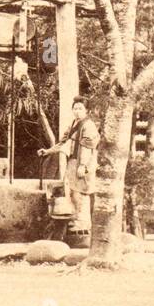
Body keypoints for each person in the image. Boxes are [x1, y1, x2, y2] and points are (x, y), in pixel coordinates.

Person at [38, 96, 99, 233]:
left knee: (80, 193)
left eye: (80, 108)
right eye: (75, 108)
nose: (77, 111)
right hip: (73, 162)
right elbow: (63, 143)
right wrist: (47, 151)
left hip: (84, 163)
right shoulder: (74, 124)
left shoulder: (88, 126)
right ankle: (73, 222)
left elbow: (87, 148)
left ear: (87, 110)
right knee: (70, 191)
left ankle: (82, 225)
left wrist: (83, 166)